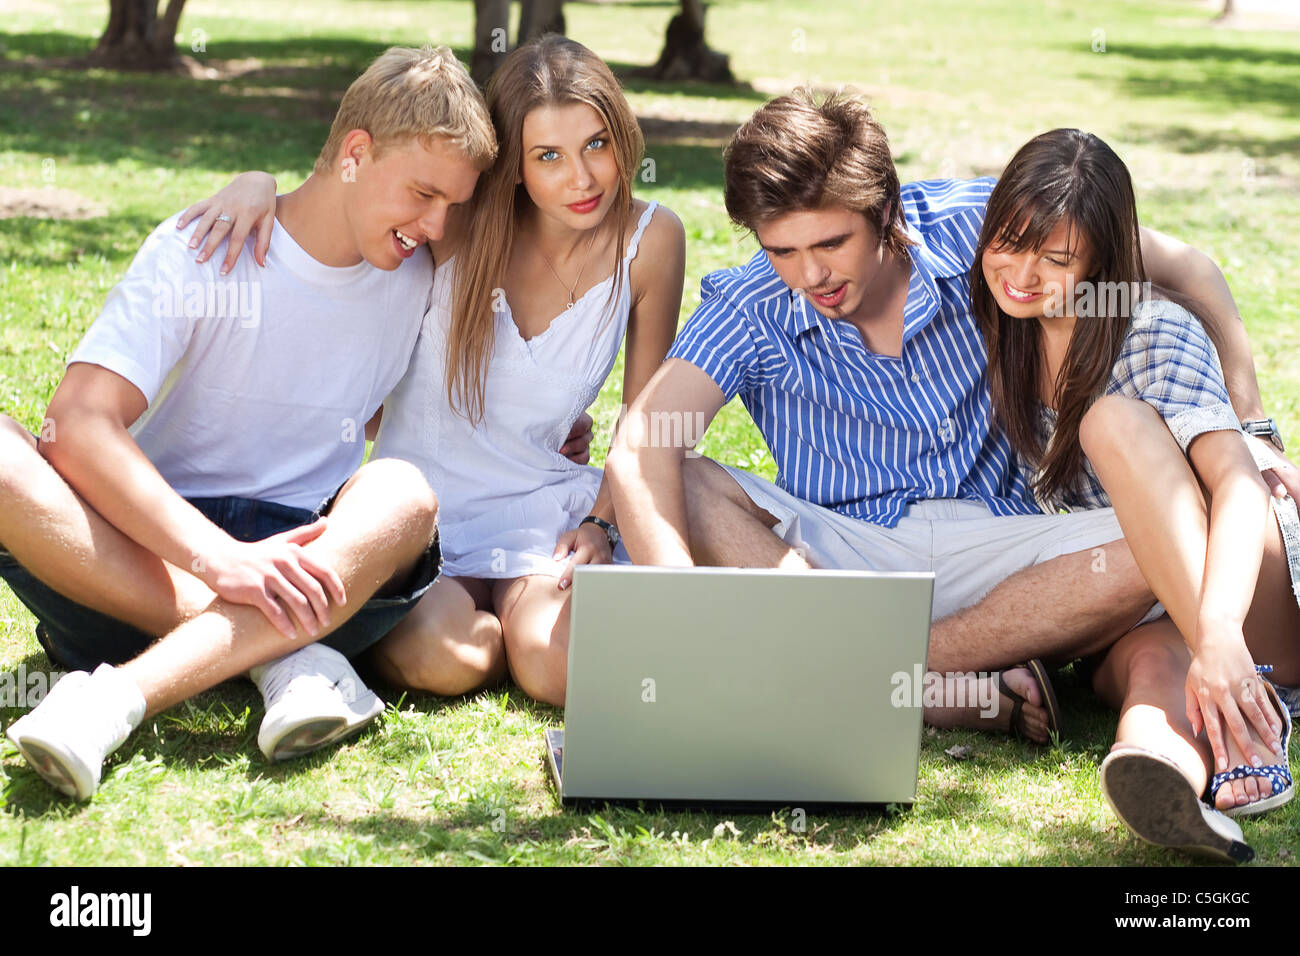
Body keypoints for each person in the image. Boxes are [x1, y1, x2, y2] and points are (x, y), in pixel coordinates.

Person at [604, 88, 1300, 743]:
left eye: (830, 244)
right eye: (781, 250)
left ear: (887, 214)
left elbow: (1190, 266)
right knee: (686, 482)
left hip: (1006, 555)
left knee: (1177, 531)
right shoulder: (752, 304)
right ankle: (933, 682)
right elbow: (640, 445)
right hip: (839, 564)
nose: (809, 274)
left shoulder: (990, 235)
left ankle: (881, 671)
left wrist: (1255, 428)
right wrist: (684, 610)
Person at [0, 46, 496, 800]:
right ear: (355, 154)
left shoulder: (416, 273)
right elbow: (78, 423)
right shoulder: (204, 246)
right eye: (424, 194)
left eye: (450, 206)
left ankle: (111, 702)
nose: (435, 225)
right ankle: (277, 656)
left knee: (402, 492)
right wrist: (218, 561)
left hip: (310, 562)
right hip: (138, 560)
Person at [183, 36, 686, 707]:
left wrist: (601, 524)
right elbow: (351, 196)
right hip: (416, 518)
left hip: (541, 509)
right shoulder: (456, 222)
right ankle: (486, 626)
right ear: (513, 165)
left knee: (554, 669)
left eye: (597, 143)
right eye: (548, 156)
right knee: (452, 660)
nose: (583, 178)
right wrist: (261, 185)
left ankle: (525, 625)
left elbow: (645, 419)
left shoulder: (652, 241)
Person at [972, 128, 1295, 860]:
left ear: (1101, 261)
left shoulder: (1149, 331)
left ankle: (1245, 697)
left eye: (1055, 260)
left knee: (1110, 420)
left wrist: (1218, 633)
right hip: (1138, 597)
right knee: (1149, 674)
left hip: (1247, 583)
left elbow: (1237, 484)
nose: (1022, 273)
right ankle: (1171, 779)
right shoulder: (1005, 329)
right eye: (1009, 243)